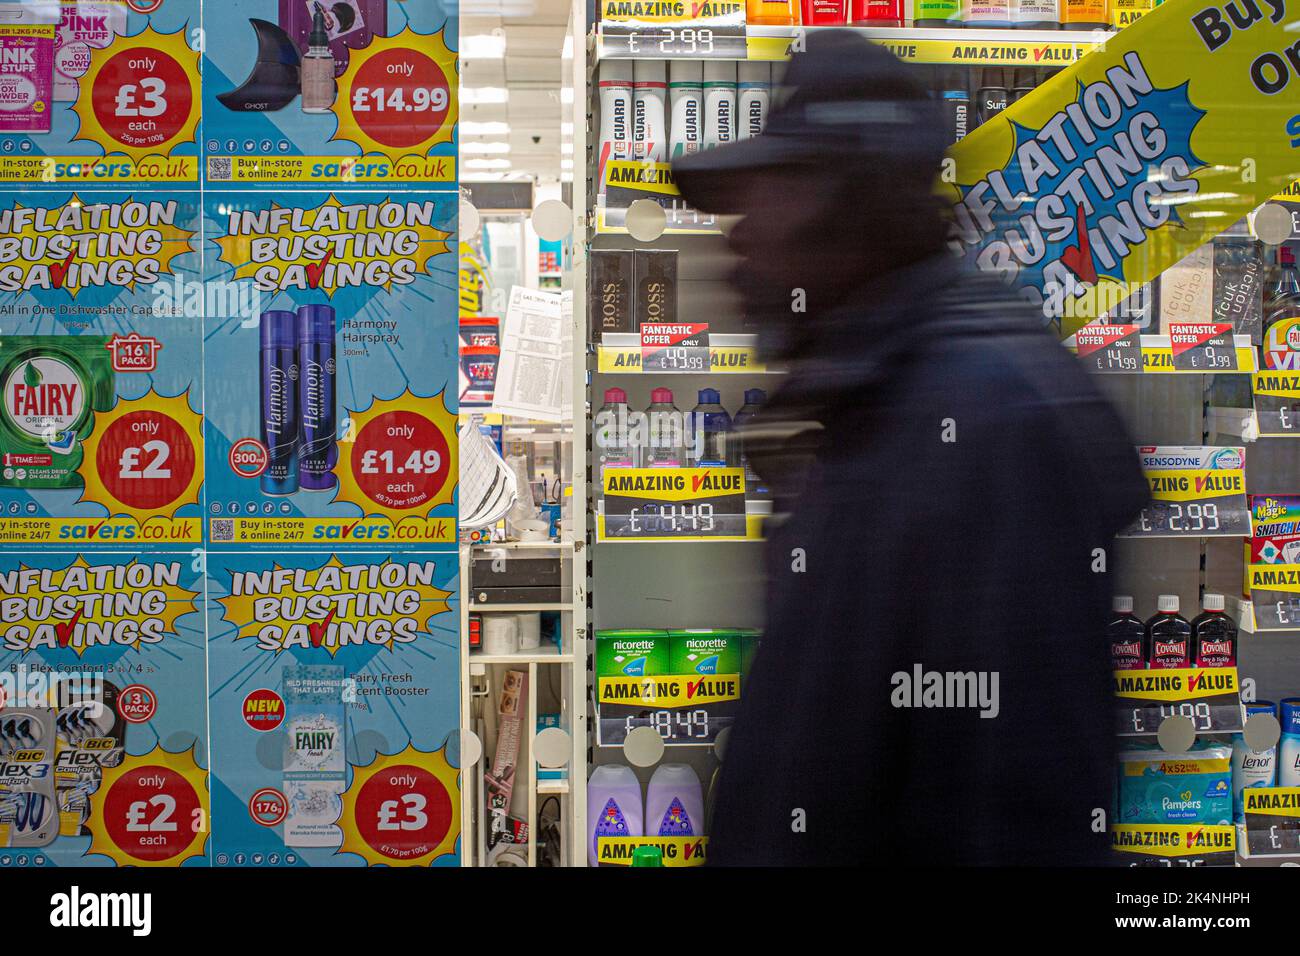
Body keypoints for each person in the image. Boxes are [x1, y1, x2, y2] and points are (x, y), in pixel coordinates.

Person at [672, 31, 1149, 866]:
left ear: (853, 200)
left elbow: (1022, 814)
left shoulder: (990, 421)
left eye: (770, 195)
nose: (738, 238)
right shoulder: (871, 399)